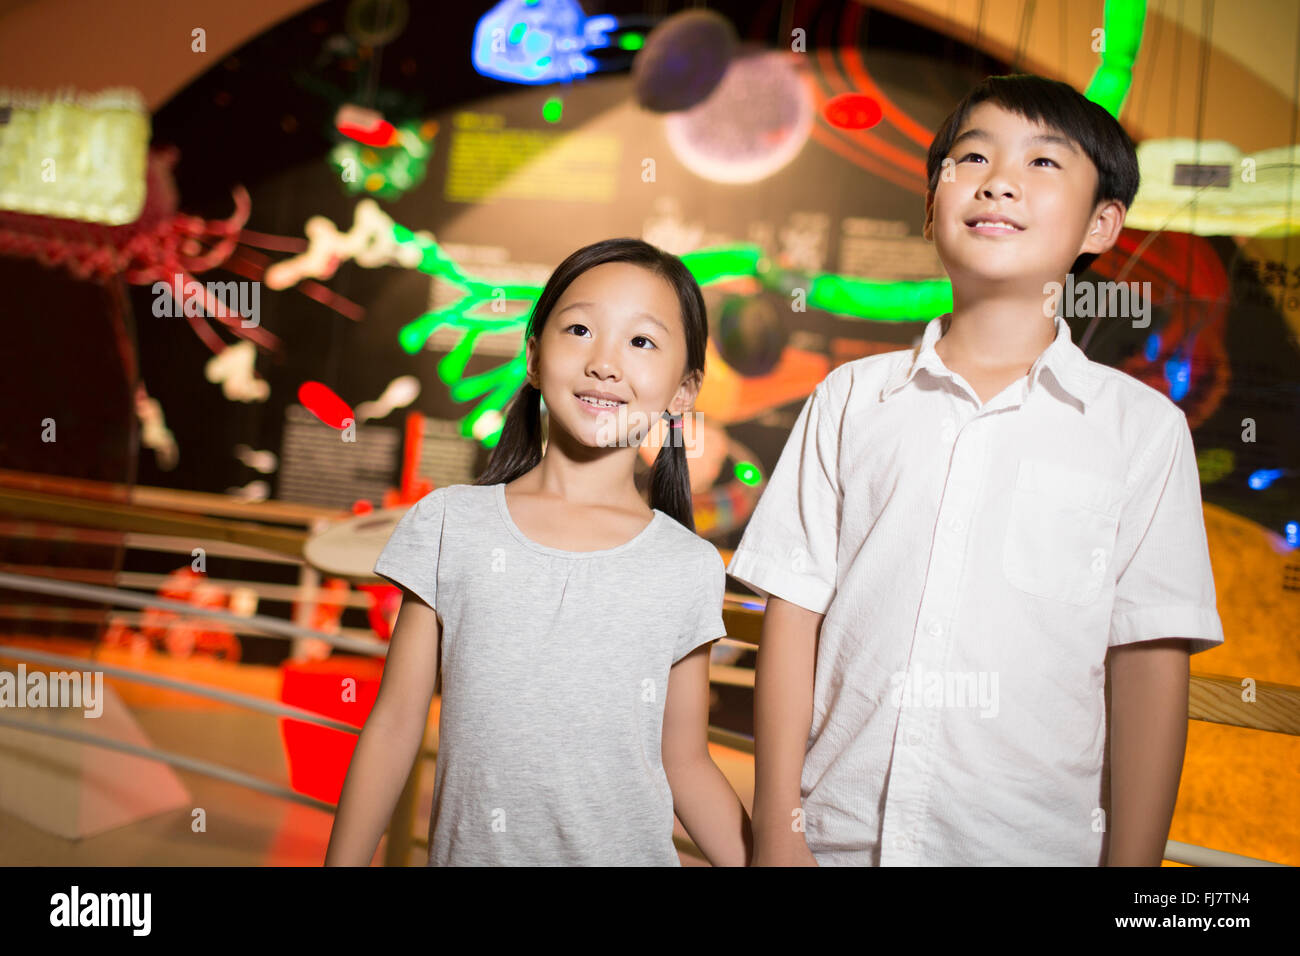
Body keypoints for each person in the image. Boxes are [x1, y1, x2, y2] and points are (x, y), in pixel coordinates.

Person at [727, 74, 1224, 866]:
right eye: (972, 157)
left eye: (1043, 162)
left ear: (1101, 224)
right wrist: (779, 835)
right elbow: (794, 617)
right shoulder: (850, 398)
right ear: (931, 207)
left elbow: (1148, 663)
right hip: (835, 843)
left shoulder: (1142, 430)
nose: (998, 181)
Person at [326, 237, 751, 866]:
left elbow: (685, 761)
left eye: (641, 341)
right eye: (579, 329)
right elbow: (393, 726)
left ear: (684, 391)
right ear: (532, 354)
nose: (604, 363)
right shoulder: (451, 524)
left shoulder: (686, 566)